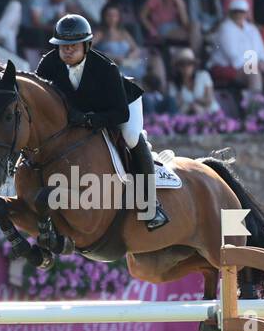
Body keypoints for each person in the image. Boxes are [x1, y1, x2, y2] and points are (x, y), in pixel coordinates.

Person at [35, 13, 168, 228]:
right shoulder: (48, 64)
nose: (67, 50)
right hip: (81, 111)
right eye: (62, 46)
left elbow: (120, 114)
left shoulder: (106, 69)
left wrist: (88, 120)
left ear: (87, 45)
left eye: (73, 45)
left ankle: (150, 205)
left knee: (132, 137)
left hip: (121, 105)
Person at [209, 0, 264, 93]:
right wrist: (255, 64)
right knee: (254, 75)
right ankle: (255, 106)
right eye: (236, 12)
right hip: (226, 66)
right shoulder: (225, 28)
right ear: (231, 13)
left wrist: (263, 61)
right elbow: (233, 57)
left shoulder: (252, 29)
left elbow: (262, 51)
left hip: (251, 66)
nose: (239, 14)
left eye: (242, 12)